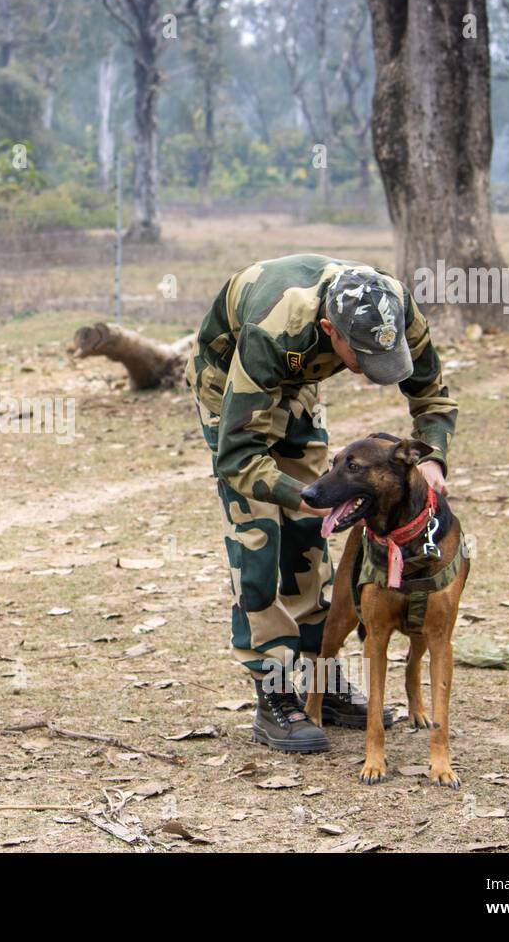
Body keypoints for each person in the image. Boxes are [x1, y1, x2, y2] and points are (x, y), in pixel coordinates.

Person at [185, 254, 457, 753]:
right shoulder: (275, 328)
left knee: (310, 540)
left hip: (295, 381)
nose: (372, 372)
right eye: (361, 361)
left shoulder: (391, 307)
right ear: (330, 329)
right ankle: (275, 695)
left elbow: (431, 396)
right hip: (234, 381)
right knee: (261, 533)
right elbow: (238, 454)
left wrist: (434, 457)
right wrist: (298, 496)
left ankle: (321, 685)